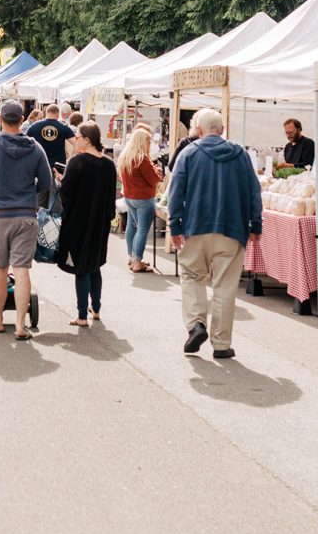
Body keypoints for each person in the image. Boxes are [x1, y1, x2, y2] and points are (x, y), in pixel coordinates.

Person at [168, 109, 263, 360]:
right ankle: (221, 344)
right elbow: (255, 191)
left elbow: (175, 192)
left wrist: (174, 226)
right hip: (232, 229)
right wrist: (256, 225)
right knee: (225, 287)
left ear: (199, 130)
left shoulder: (188, 153)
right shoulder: (240, 154)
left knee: (191, 276)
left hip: (195, 227)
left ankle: (196, 325)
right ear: (222, 130)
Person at [0, 100, 54, 339]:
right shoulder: (35, 148)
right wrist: (28, 193)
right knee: (22, 269)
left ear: (1, 120)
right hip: (26, 214)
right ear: (22, 119)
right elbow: (46, 183)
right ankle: (19, 325)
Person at [58, 124, 118, 326]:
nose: (76, 140)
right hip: (100, 221)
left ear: (87, 139)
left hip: (78, 220)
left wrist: (60, 178)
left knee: (81, 266)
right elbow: (111, 195)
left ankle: (82, 314)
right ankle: (97, 308)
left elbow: (66, 193)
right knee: (95, 263)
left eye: (78, 136)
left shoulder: (77, 162)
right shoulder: (109, 165)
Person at [117, 124, 162, 272]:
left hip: (130, 197)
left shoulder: (125, 157)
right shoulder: (142, 159)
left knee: (134, 226)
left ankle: (132, 257)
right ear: (143, 142)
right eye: (148, 142)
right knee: (142, 230)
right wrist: (156, 171)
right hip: (143, 197)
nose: (150, 145)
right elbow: (154, 180)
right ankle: (137, 261)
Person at [27, 103, 76, 174]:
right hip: (58, 166)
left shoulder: (34, 126)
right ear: (57, 114)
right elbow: (75, 143)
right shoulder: (64, 127)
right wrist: (71, 159)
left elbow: (25, 144)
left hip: (39, 165)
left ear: (46, 113)